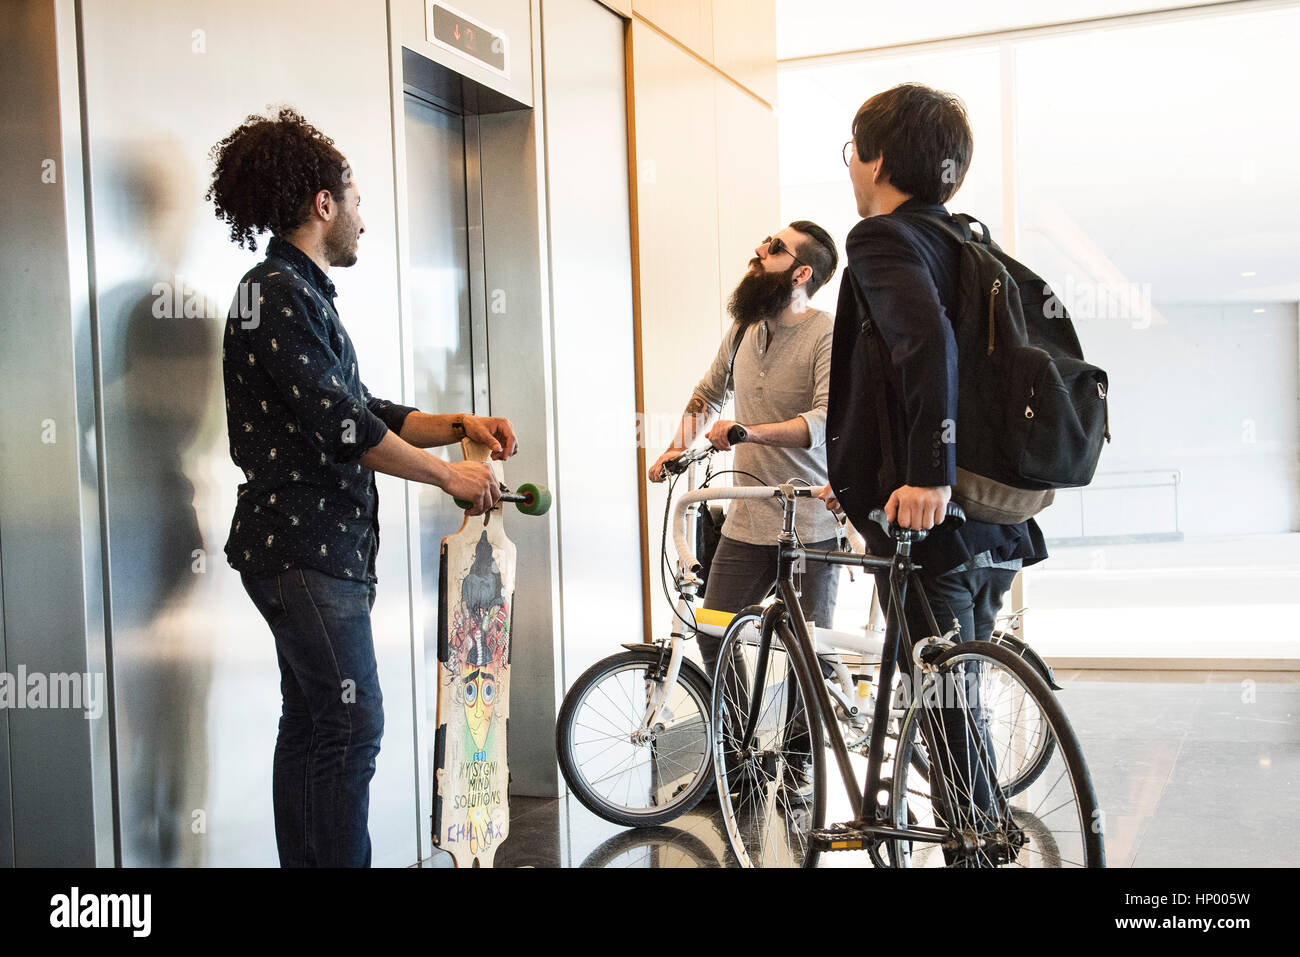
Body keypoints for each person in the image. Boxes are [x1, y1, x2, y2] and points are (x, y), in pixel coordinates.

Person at [208, 108, 517, 867]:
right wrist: (451, 475)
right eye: (357, 201)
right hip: (303, 547)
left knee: (317, 725)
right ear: (323, 203)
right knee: (351, 727)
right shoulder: (276, 291)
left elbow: (362, 408)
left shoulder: (297, 291)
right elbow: (340, 425)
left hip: (314, 550)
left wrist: (454, 423)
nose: (362, 222)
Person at [821, 83, 1048, 841]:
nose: (851, 167)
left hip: (935, 519)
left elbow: (926, 346)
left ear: (877, 158)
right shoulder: (964, 241)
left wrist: (926, 473)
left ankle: (980, 846)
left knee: (945, 706)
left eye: (853, 151)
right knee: (959, 694)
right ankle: (986, 834)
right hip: (993, 519)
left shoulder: (882, 238)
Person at [648, 221, 840, 791]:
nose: (758, 251)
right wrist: (675, 448)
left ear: (801, 274)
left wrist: (748, 433)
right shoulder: (743, 329)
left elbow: (825, 423)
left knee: (810, 651)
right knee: (712, 626)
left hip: (810, 521)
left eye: (774, 249)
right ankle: (739, 752)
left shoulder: (828, 334)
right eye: (763, 242)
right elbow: (707, 393)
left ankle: (801, 764)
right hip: (748, 518)